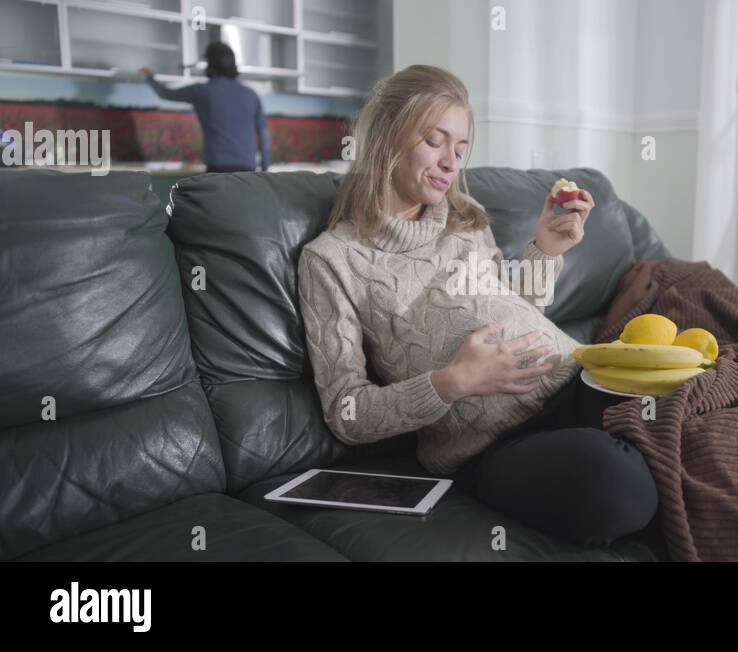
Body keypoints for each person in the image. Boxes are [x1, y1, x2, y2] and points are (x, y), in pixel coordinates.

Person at [298, 65, 658, 548]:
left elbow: (515, 311)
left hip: (577, 377)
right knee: (617, 484)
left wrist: (545, 249)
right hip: (494, 445)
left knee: (705, 401)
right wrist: (453, 383)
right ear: (387, 134)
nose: (451, 162)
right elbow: (347, 411)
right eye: (435, 140)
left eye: (461, 149)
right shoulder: (331, 260)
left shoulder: (467, 219)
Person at [139, 42, 271, 173]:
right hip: (247, 170)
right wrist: (264, 167)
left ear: (210, 65)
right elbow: (264, 133)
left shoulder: (202, 91)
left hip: (218, 168)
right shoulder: (251, 95)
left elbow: (166, 94)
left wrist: (149, 77)